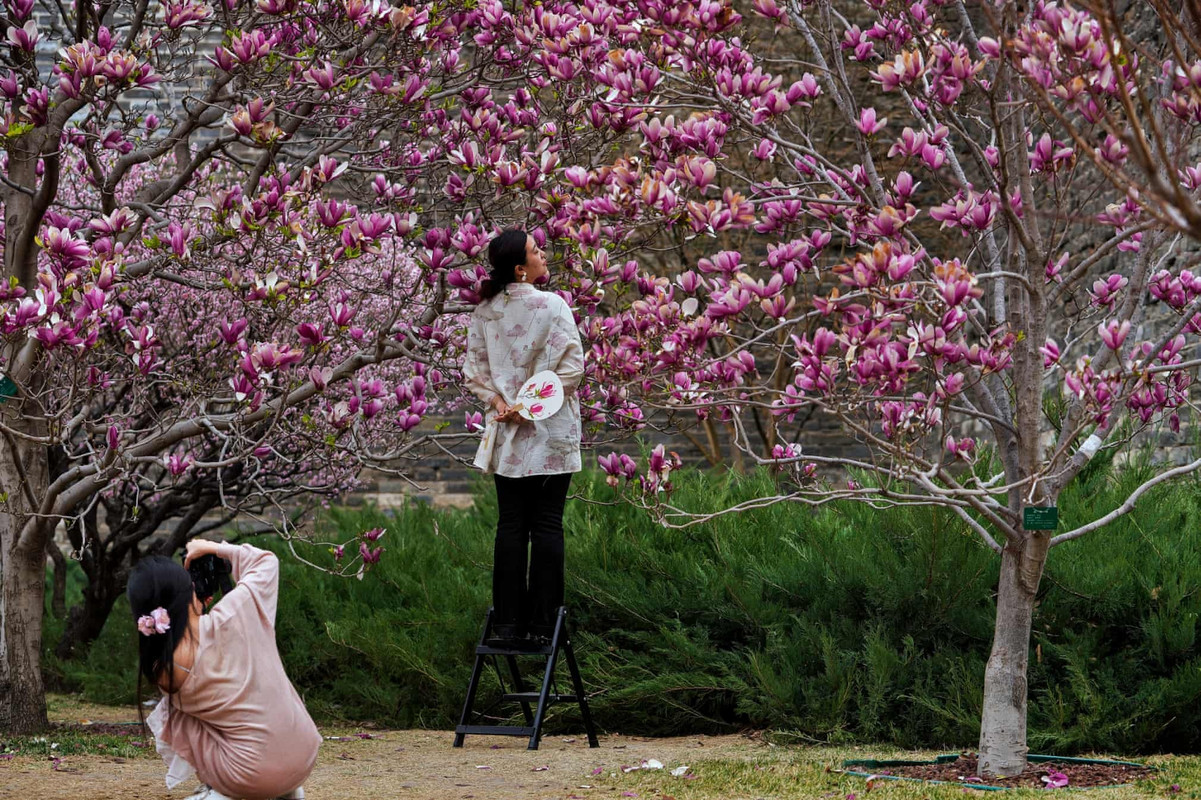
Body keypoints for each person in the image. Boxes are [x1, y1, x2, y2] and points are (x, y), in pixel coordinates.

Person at [127, 539, 321, 800]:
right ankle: (286, 789)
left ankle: (216, 794)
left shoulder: (164, 670)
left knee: (176, 715)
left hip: (249, 777)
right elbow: (267, 561)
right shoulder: (237, 613)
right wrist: (213, 547)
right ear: (190, 594)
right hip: (304, 753)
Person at [464, 228, 584, 646]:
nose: (544, 254)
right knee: (547, 524)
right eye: (536, 251)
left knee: (511, 525)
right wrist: (532, 405)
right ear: (520, 268)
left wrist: (503, 405)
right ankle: (543, 624)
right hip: (550, 432)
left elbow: (474, 372)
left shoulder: (485, 312)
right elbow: (572, 369)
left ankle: (508, 624)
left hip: (509, 433)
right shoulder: (554, 305)